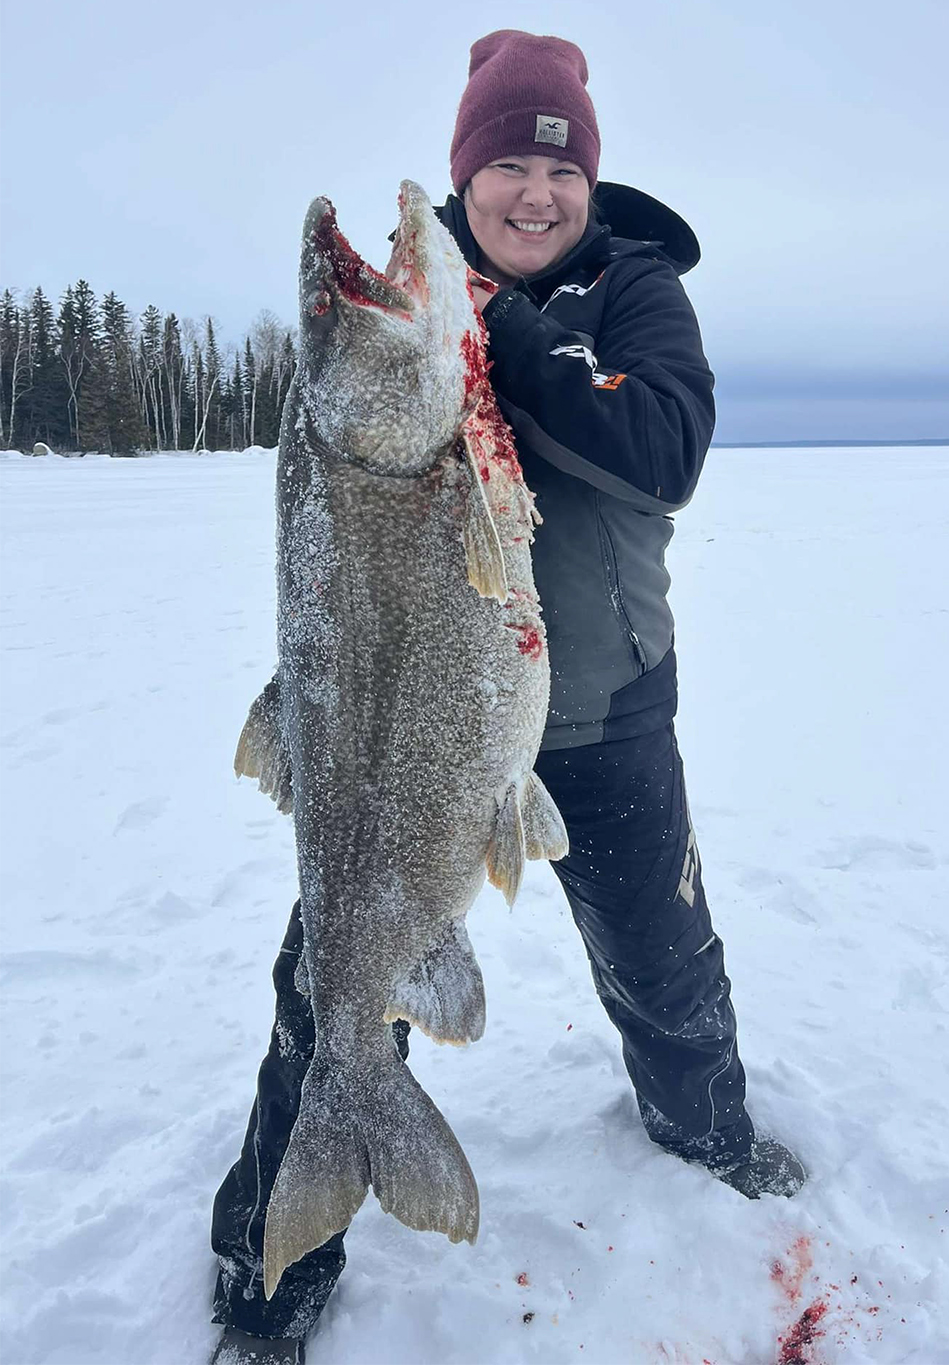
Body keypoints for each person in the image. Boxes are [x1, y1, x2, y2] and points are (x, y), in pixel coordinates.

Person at [207, 31, 804, 1365]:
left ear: (588, 181)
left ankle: (710, 1142)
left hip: (612, 714)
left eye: (558, 170)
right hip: (401, 745)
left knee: (667, 970)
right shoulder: (418, 342)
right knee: (334, 981)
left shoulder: (637, 295)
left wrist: (511, 341)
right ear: (463, 175)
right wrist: (441, 338)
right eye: (503, 170)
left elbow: (666, 451)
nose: (534, 195)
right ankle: (271, 1267)